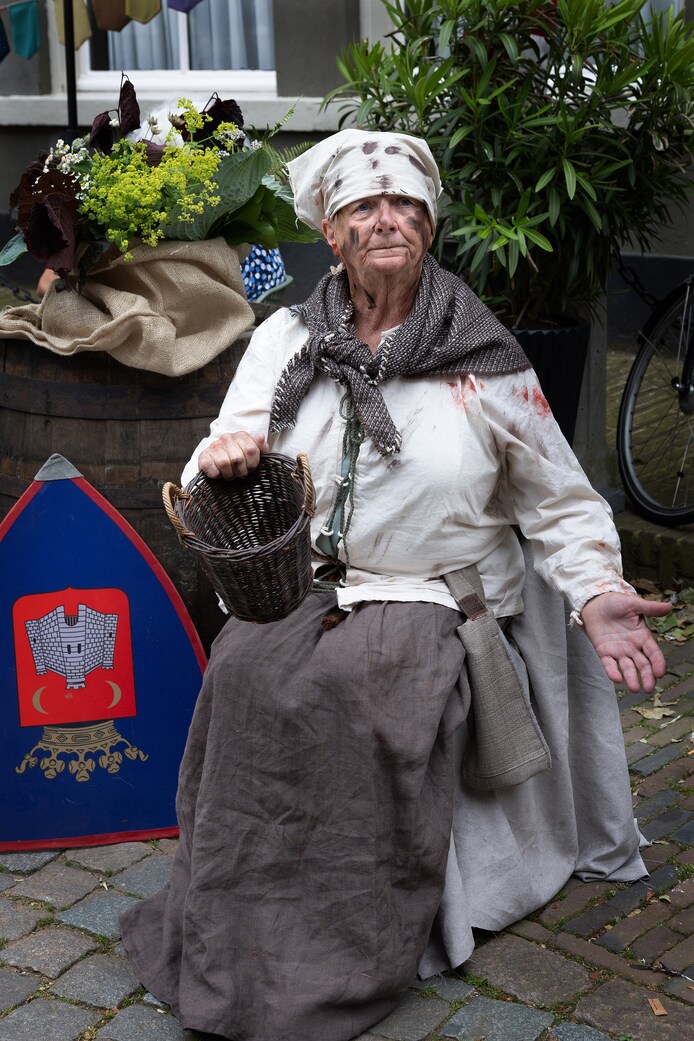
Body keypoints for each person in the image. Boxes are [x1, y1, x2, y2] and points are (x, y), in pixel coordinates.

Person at [119, 129, 670, 1041]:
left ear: (430, 227)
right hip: (308, 584)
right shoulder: (288, 340)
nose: (388, 220)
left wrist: (597, 591)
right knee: (245, 672)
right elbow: (229, 438)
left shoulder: (484, 360)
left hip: (433, 596)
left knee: (363, 691)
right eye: (365, 207)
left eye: (406, 204)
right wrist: (226, 454)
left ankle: (343, 947)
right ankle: (236, 926)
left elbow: (562, 501)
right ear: (331, 234)